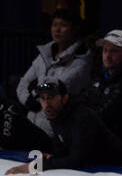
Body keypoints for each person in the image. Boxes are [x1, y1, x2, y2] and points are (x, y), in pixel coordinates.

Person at [5, 80, 122, 173]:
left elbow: (75, 160)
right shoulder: (55, 115)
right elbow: (62, 153)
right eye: (43, 98)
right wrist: (52, 158)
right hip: (105, 171)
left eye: (51, 97)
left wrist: (37, 166)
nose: (46, 103)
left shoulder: (82, 118)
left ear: (65, 97)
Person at [16, 9, 92, 137]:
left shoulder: (81, 61)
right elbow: (24, 82)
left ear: (74, 29)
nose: (57, 30)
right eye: (54, 25)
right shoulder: (45, 54)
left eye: (63, 25)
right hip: (31, 123)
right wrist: (27, 100)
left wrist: (35, 95)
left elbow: (55, 88)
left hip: (57, 130)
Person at [80, 29, 122, 152]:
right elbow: (81, 101)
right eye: (105, 50)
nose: (107, 56)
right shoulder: (98, 77)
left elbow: (101, 116)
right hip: (94, 147)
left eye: (114, 51)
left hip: (116, 153)